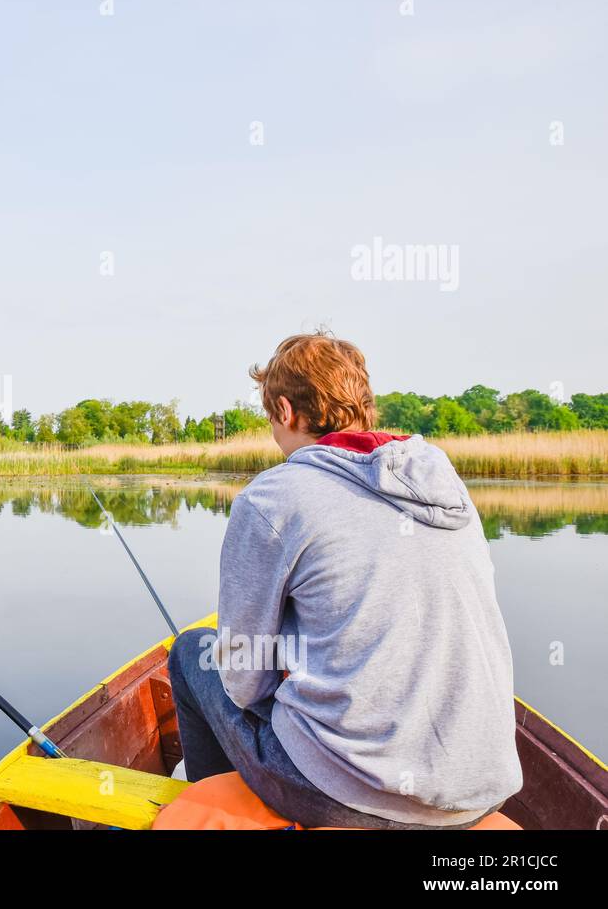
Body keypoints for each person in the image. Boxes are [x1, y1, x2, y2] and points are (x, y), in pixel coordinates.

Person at [168, 332, 523, 828]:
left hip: (349, 798)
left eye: (271, 418)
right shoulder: (445, 484)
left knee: (190, 653)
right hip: (481, 791)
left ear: (287, 411)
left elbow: (246, 680)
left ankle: (217, 803)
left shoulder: (275, 496)